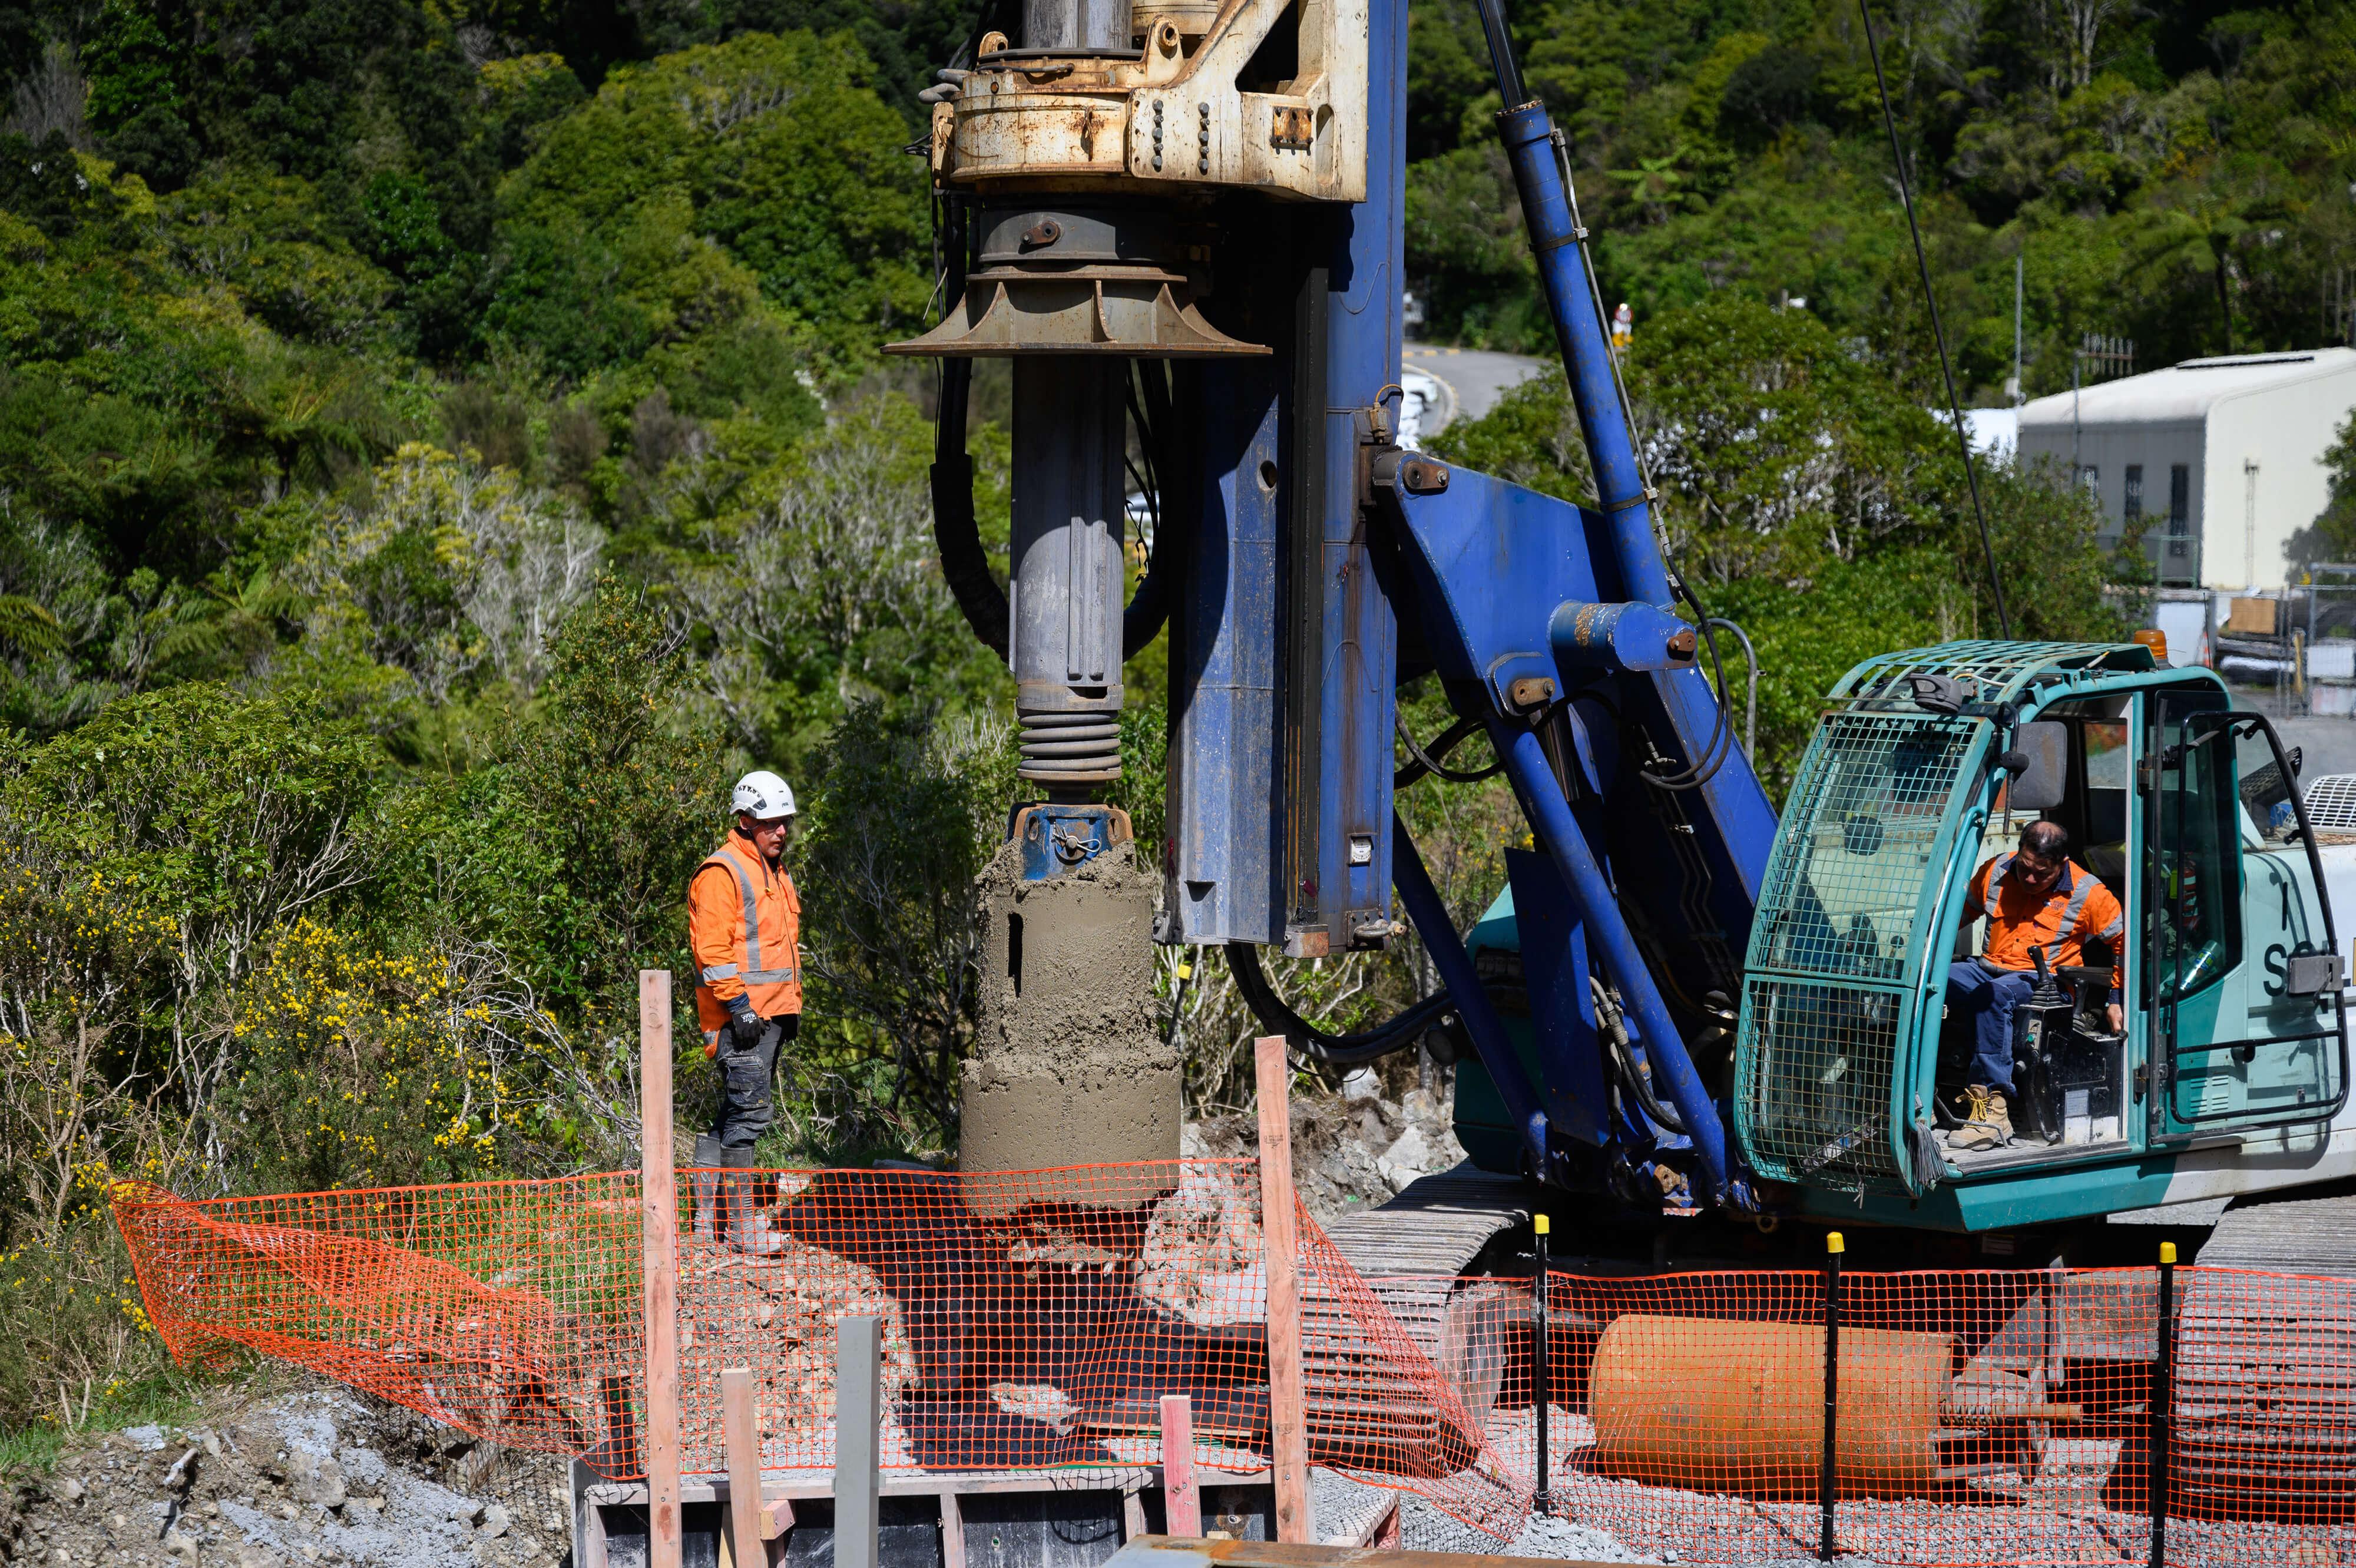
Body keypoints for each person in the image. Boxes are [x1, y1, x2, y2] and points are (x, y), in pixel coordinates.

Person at [1945, 820, 2126, 1150]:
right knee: (1933, 983)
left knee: (1993, 997)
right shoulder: (1996, 869)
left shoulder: (2089, 893)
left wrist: (2116, 998)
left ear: (2062, 864)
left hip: (2046, 982)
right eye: (2024, 868)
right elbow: (1959, 914)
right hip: (1989, 968)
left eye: (2041, 874)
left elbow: (2124, 943)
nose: (2029, 879)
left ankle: (1993, 1111)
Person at [687, 770, 803, 1248]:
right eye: (771, 823)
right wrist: (740, 1008)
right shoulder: (722, 872)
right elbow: (713, 952)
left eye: (785, 823)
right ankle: (740, 1229)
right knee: (750, 1116)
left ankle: (703, 1225)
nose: (781, 831)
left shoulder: (773, 870)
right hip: (742, 1020)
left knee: (735, 1112)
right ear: (745, 820)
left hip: (770, 1014)